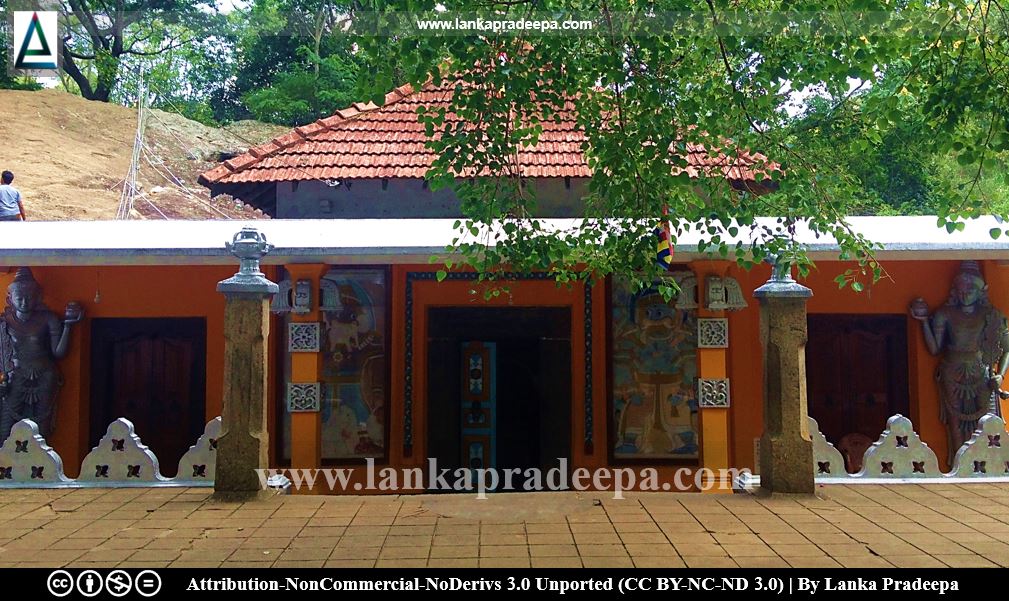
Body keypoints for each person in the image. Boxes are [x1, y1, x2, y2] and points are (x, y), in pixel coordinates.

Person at [910, 260, 1009, 466]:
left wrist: (1000, 374)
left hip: (981, 371)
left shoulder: (991, 315)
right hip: (951, 371)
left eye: (970, 289)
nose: (965, 293)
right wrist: (924, 322)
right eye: (961, 289)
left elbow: (1006, 348)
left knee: (986, 418)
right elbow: (935, 349)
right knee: (955, 422)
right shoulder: (945, 314)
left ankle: (988, 463)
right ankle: (960, 462)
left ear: (980, 291)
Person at [0, 268, 82, 441]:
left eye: (29, 297)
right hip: (15, 376)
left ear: (37, 297)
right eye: (19, 298)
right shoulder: (4, 322)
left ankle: (40, 465)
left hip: (45, 374)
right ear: (10, 299)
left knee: (41, 430)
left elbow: (58, 353)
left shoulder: (48, 319)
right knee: (5, 429)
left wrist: (68, 325)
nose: (24, 302)